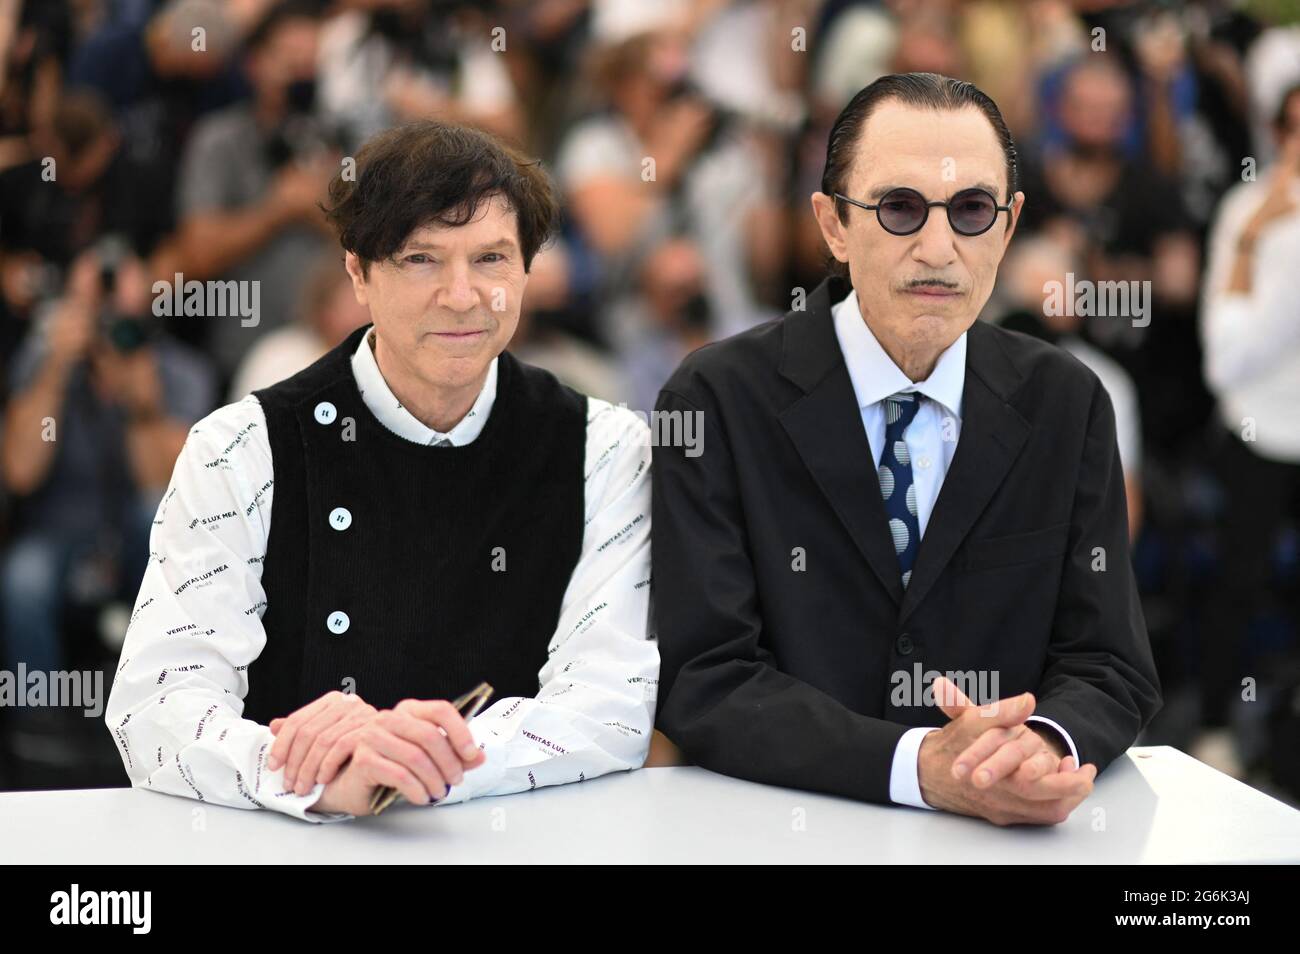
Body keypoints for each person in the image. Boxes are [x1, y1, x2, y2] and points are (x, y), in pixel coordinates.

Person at [105, 120, 657, 821]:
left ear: (526, 272)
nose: (462, 295)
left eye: (490, 259)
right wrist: (314, 776)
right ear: (358, 271)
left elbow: (612, 707)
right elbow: (155, 709)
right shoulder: (241, 446)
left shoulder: (606, 448)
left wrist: (413, 760)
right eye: (421, 259)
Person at [651, 72, 1161, 827]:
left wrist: (1041, 746)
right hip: (776, 831)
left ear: (1010, 225)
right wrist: (918, 768)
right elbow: (703, 676)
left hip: (1000, 840)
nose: (938, 247)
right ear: (832, 226)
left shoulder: (1068, 401)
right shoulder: (716, 398)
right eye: (898, 208)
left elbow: (1110, 663)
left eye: (972, 210)